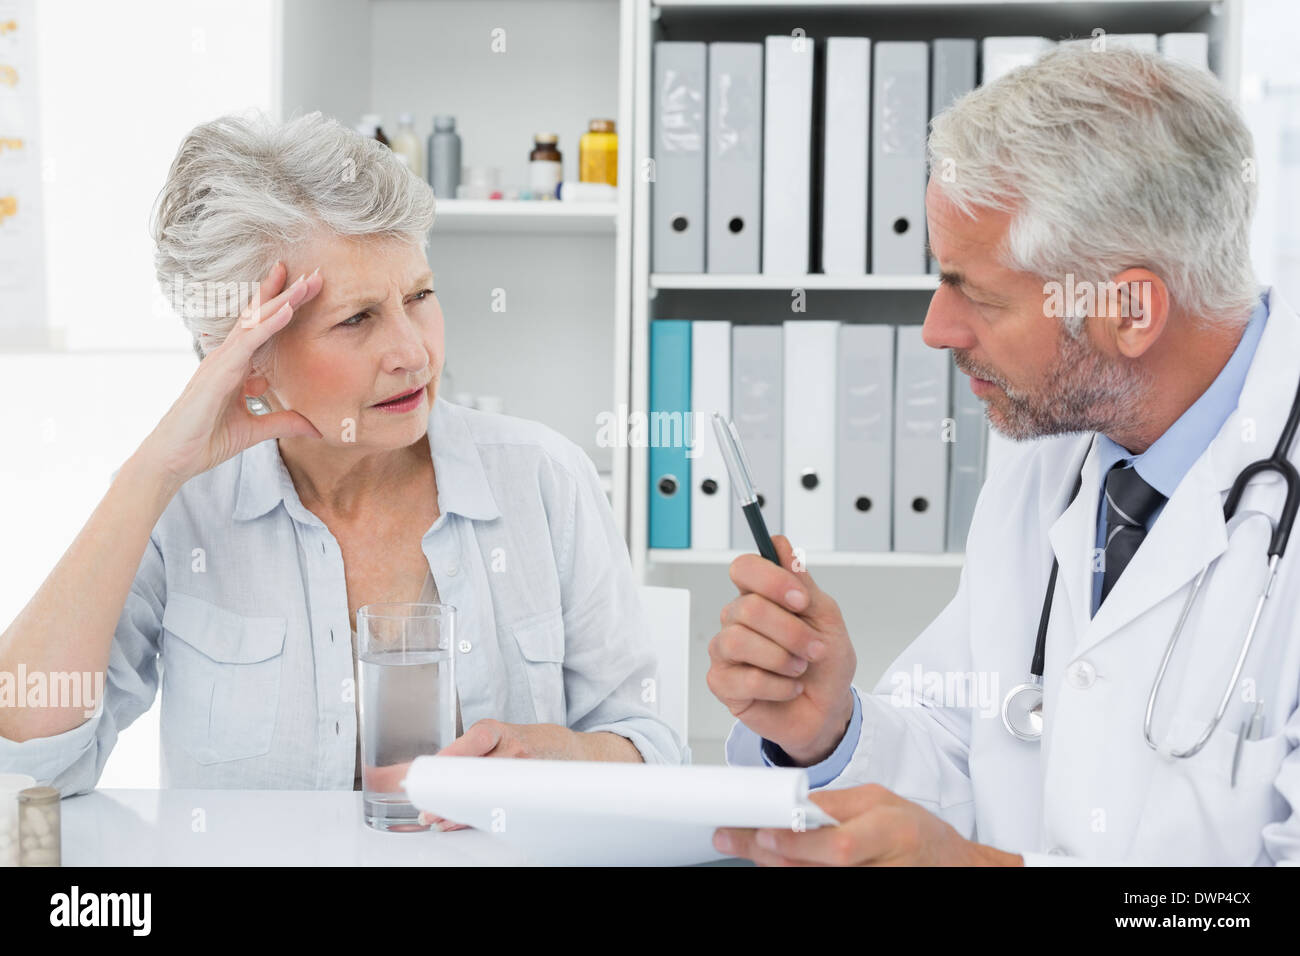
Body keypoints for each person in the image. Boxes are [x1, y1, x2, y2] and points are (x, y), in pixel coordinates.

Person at [708, 46, 1299, 865]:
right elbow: (965, 746)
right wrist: (828, 729)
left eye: (976, 294)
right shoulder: (1052, 453)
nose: (935, 329)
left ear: (1131, 311)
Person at [0, 111, 683, 803]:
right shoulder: (184, 505)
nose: (413, 353)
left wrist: (565, 757)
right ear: (247, 354)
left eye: (419, 296)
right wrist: (147, 476)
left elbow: (650, 745)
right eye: (356, 318)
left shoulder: (543, 479)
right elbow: (28, 766)